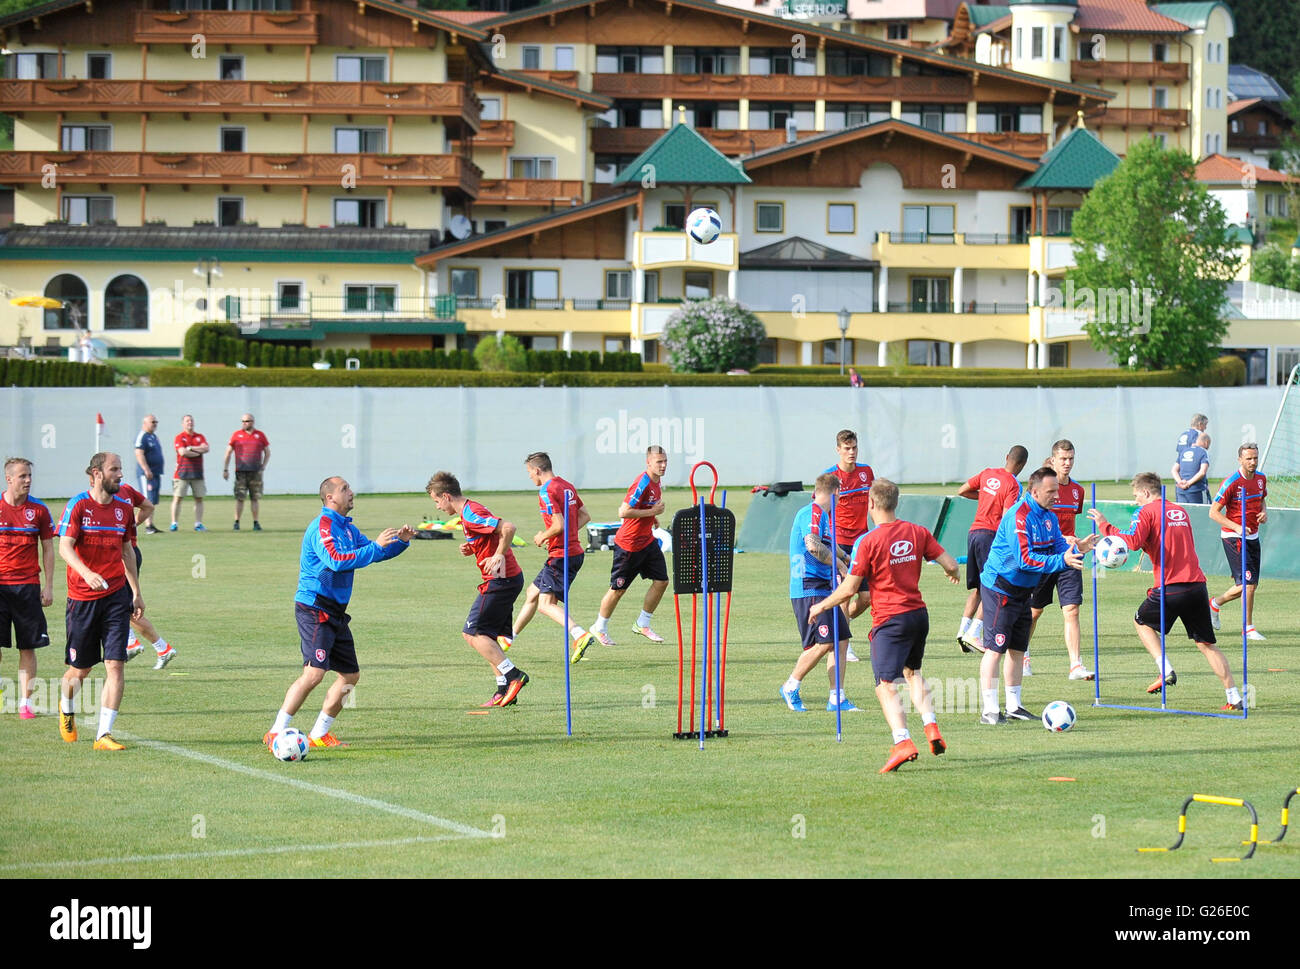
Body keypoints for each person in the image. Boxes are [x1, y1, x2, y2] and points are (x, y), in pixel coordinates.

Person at [811, 479, 962, 773]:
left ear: (870, 505)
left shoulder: (867, 541)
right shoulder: (917, 531)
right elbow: (951, 563)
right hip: (918, 615)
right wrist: (951, 573)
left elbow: (849, 589)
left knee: (885, 685)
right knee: (913, 673)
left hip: (890, 620)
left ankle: (902, 741)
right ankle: (931, 726)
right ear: (895, 502)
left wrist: (821, 605)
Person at [264, 477, 411, 750]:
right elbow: (337, 561)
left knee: (349, 676)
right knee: (314, 673)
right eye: (345, 489)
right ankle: (276, 731)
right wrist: (376, 547)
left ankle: (319, 733)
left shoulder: (347, 528)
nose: (351, 492)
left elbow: (371, 554)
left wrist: (399, 543)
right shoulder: (323, 526)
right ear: (330, 497)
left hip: (335, 611)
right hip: (314, 607)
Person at [1088, 473, 1244, 710]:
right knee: (1206, 644)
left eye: (1136, 496)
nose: (1135, 501)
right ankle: (1234, 696)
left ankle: (1165, 669)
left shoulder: (1147, 511)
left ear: (1147, 493)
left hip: (1170, 587)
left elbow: (1132, 542)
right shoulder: (1179, 511)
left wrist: (1105, 526)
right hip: (1197, 586)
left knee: (1141, 621)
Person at [977, 466, 1096, 725]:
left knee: (1018, 649)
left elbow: (1057, 546)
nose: (1056, 496)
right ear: (1034, 491)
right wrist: (1062, 559)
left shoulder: (1049, 517)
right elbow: (1024, 560)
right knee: (995, 648)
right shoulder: (1019, 516)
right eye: (1051, 491)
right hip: (1001, 588)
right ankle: (989, 710)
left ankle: (1014, 706)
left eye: (1057, 491)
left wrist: (1078, 547)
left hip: (1023, 591)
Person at [55, 452, 144, 751]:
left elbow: (127, 551)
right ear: (96, 473)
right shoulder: (78, 505)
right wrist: (86, 572)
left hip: (116, 595)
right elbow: (65, 547)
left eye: (121, 469)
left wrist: (136, 591)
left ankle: (103, 735)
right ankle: (66, 709)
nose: (120, 475)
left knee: (115, 665)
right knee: (80, 670)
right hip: (82, 598)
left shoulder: (123, 508)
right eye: (114, 469)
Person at [427, 471, 530, 707]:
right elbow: (490, 534)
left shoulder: (471, 513)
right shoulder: (467, 513)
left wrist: (497, 555)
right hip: (504, 579)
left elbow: (509, 528)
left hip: (501, 580)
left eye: (436, 501)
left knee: (473, 633)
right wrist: (473, 547)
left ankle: (514, 675)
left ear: (446, 496)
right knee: (488, 637)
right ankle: (503, 690)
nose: (438, 507)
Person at [503, 452, 596, 664]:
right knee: (532, 593)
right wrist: (562, 534)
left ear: (537, 470)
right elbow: (584, 516)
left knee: (545, 604)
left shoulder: (546, 491)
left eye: (529, 472)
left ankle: (579, 634)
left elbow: (559, 524)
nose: (529, 477)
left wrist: (543, 535)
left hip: (561, 555)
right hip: (571, 553)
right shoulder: (567, 485)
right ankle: (509, 637)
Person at [779, 473, 857, 714]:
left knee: (840, 640)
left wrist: (846, 558)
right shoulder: (813, 512)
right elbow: (813, 545)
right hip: (809, 587)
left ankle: (837, 698)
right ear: (836, 492)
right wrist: (842, 567)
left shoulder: (823, 516)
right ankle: (790, 686)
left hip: (822, 587)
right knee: (824, 643)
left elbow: (827, 544)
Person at [1026, 440, 1094, 680]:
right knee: (1034, 612)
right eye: (1063, 459)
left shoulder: (1078, 491)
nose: (1067, 463)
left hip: (1070, 557)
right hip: (1043, 556)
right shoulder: (1041, 490)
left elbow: (1072, 518)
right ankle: (1022, 653)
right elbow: (1032, 521)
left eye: (1071, 458)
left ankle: (1076, 665)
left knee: (1072, 609)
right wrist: (1058, 537)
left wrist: (1075, 542)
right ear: (1052, 460)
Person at [590, 446, 670, 647]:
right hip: (628, 546)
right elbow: (624, 512)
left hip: (647, 542)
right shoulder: (642, 482)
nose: (663, 465)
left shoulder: (657, 481)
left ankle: (642, 624)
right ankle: (599, 627)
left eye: (665, 461)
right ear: (648, 462)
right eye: (659, 461)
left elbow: (645, 508)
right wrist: (653, 511)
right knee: (618, 590)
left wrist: (652, 519)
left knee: (662, 581)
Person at [955, 445, 1028, 653]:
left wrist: (987, 497)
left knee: (979, 587)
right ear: (1022, 465)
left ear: (1006, 457)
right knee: (992, 587)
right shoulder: (1014, 485)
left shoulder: (987, 473)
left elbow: (962, 490)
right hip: (991, 536)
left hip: (974, 534)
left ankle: (963, 631)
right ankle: (975, 634)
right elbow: (1007, 516)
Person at [0, 458, 55, 720]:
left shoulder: (39, 510)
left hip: (27, 587)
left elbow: (48, 548)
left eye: (30, 475)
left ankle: (25, 703)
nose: (28, 480)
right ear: (9, 479)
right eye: (22, 476)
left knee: (27, 646)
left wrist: (49, 586)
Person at [823, 429, 874, 662]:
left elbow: (874, 503)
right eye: (846, 448)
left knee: (866, 597)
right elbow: (820, 509)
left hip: (862, 542)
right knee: (845, 594)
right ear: (838, 450)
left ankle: (844, 624)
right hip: (840, 542)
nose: (851, 452)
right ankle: (846, 644)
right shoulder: (830, 477)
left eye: (854, 448)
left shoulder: (866, 472)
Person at [1208, 442, 1268, 641]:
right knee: (1248, 584)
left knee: (1249, 585)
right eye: (1249, 458)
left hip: (1253, 535)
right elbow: (1213, 512)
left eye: (1255, 458)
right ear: (1240, 459)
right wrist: (1236, 527)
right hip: (1234, 537)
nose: (1253, 462)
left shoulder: (1261, 479)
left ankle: (1215, 604)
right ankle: (1248, 628)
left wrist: (1263, 512)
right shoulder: (1231, 482)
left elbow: (1261, 499)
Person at [117, 480, 177, 670]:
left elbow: (148, 506)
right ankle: (140, 644)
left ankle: (156, 647)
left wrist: (130, 525)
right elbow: (148, 506)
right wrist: (132, 524)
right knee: (119, 607)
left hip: (123, 555)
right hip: (129, 553)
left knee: (124, 608)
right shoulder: (125, 489)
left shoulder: (110, 495)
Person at [223, 413, 270, 531]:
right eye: (243, 421)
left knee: (255, 498)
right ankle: (237, 522)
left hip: (255, 472)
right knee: (240, 498)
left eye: (247, 421)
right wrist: (225, 468)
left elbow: (267, 452)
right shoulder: (236, 435)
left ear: (252, 422)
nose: (245, 423)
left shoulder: (260, 435)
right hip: (241, 471)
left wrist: (263, 466)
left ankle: (256, 522)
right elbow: (228, 452)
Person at [170, 414, 209, 532]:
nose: (190, 423)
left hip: (197, 473)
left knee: (199, 498)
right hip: (182, 473)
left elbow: (206, 448)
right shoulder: (179, 437)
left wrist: (191, 448)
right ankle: (174, 523)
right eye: (187, 421)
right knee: (178, 498)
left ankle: (198, 523)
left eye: (191, 420)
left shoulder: (199, 436)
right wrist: (197, 452)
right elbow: (182, 452)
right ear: (183, 424)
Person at [132, 415, 164, 533]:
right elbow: (139, 453)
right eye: (152, 422)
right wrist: (146, 469)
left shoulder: (153, 436)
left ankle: (150, 524)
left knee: (153, 500)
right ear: (145, 423)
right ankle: (137, 525)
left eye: (156, 422)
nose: (155, 424)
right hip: (147, 474)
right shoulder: (142, 436)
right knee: (147, 500)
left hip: (155, 473)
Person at [1172, 432, 1211, 505]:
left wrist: (1180, 482)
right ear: (1206, 443)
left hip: (1180, 490)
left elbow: (1174, 470)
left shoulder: (1184, 450)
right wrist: (1188, 483)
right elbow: (1202, 472)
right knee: (1201, 514)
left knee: (1185, 514)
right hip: (1196, 490)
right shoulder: (1203, 452)